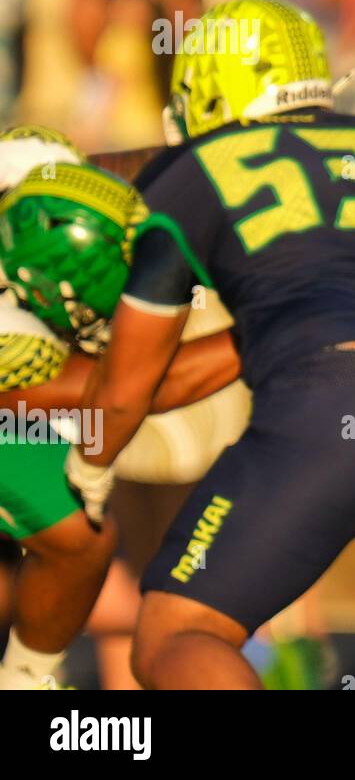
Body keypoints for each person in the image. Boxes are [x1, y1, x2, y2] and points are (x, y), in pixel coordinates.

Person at [76, 0, 355, 690]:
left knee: (176, 632)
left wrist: (85, 466)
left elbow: (129, 386)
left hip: (329, 408)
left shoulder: (190, 172)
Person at [0, 129, 238, 690]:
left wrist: (237, 146)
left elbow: (108, 169)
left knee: (79, 536)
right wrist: (273, 332)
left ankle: (24, 679)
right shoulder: (13, 338)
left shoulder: (29, 188)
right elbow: (132, 388)